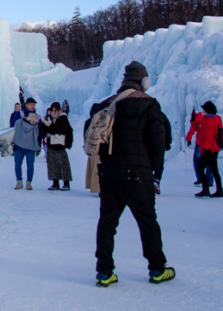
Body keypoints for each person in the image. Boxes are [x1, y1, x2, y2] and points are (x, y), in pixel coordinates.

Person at [91, 61, 174, 287]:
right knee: (147, 222)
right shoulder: (149, 105)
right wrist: (155, 171)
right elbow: (158, 144)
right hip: (138, 175)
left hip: (109, 174)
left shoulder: (108, 104)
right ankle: (157, 268)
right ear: (143, 81)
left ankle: (104, 272)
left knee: (107, 223)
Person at [186, 101, 223, 198]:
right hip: (211, 149)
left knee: (200, 168)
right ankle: (218, 190)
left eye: (204, 109)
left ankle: (206, 189)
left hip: (209, 149)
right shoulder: (206, 119)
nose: (202, 111)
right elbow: (197, 127)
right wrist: (193, 120)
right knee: (213, 169)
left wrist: (205, 150)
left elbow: (208, 137)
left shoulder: (209, 121)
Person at [41, 102, 73, 191]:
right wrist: (44, 123)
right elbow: (45, 129)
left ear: (59, 110)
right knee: (52, 164)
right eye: (52, 110)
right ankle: (55, 183)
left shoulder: (63, 118)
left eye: (55, 110)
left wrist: (50, 125)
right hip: (52, 144)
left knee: (63, 164)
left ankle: (66, 183)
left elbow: (60, 130)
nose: (53, 112)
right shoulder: (50, 118)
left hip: (60, 145)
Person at [12, 97, 41, 190]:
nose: (33, 106)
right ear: (26, 105)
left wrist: (39, 145)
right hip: (21, 145)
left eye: (34, 105)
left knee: (28, 165)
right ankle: (20, 181)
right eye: (31, 104)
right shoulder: (19, 114)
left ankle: (27, 182)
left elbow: (40, 132)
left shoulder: (36, 117)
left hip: (27, 145)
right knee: (19, 164)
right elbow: (12, 128)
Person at [187, 109, 214, 187]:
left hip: (204, 143)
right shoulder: (215, 117)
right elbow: (194, 126)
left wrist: (189, 137)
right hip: (206, 143)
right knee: (207, 161)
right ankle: (206, 179)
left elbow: (194, 127)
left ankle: (203, 178)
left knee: (199, 161)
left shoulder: (201, 116)